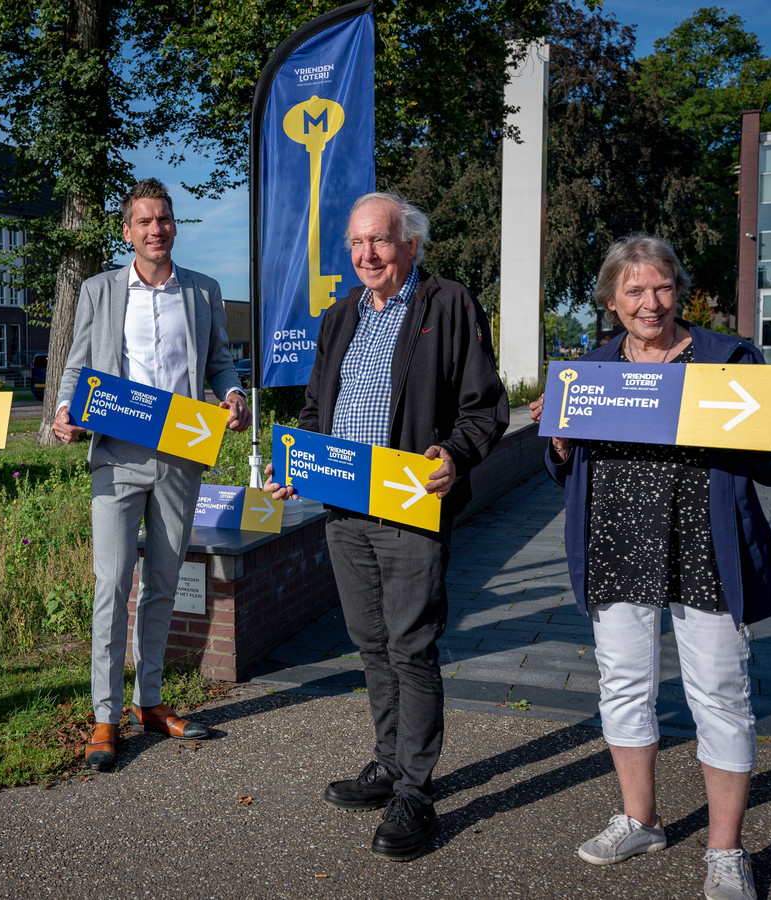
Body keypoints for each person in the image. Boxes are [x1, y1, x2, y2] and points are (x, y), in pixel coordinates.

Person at [529, 234, 771, 900]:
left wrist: (768, 431)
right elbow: (566, 468)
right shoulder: (588, 368)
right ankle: (640, 818)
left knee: (720, 694)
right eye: (634, 291)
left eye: (662, 288)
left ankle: (726, 849)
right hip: (617, 546)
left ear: (678, 290)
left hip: (704, 547)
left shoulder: (728, 357)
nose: (650, 304)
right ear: (612, 300)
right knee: (622, 686)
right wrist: (559, 440)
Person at [265, 192, 509, 861]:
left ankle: (415, 789)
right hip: (344, 509)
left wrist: (455, 457)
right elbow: (318, 406)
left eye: (379, 241)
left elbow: (485, 407)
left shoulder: (446, 303)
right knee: (369, 641)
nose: (365, 255)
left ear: (411, 244)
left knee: (411, 645)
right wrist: (299, 463)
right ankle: (388, 760)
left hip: (407, 507)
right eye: (355, 244)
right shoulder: (340, 315)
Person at [53, 178, 250, 771]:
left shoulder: (204, 291)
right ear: (127, 231)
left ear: (173, 225)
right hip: (116, 453)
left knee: (163, 584)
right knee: (112, 586)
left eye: (163, 220)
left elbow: (219, 361)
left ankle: (151, 702)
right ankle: (105, 716)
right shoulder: (99, 290)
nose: (156, 230)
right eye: (144, 222)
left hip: (180, 458)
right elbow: (79, 363)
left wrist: (233, 394)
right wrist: (65, 411)